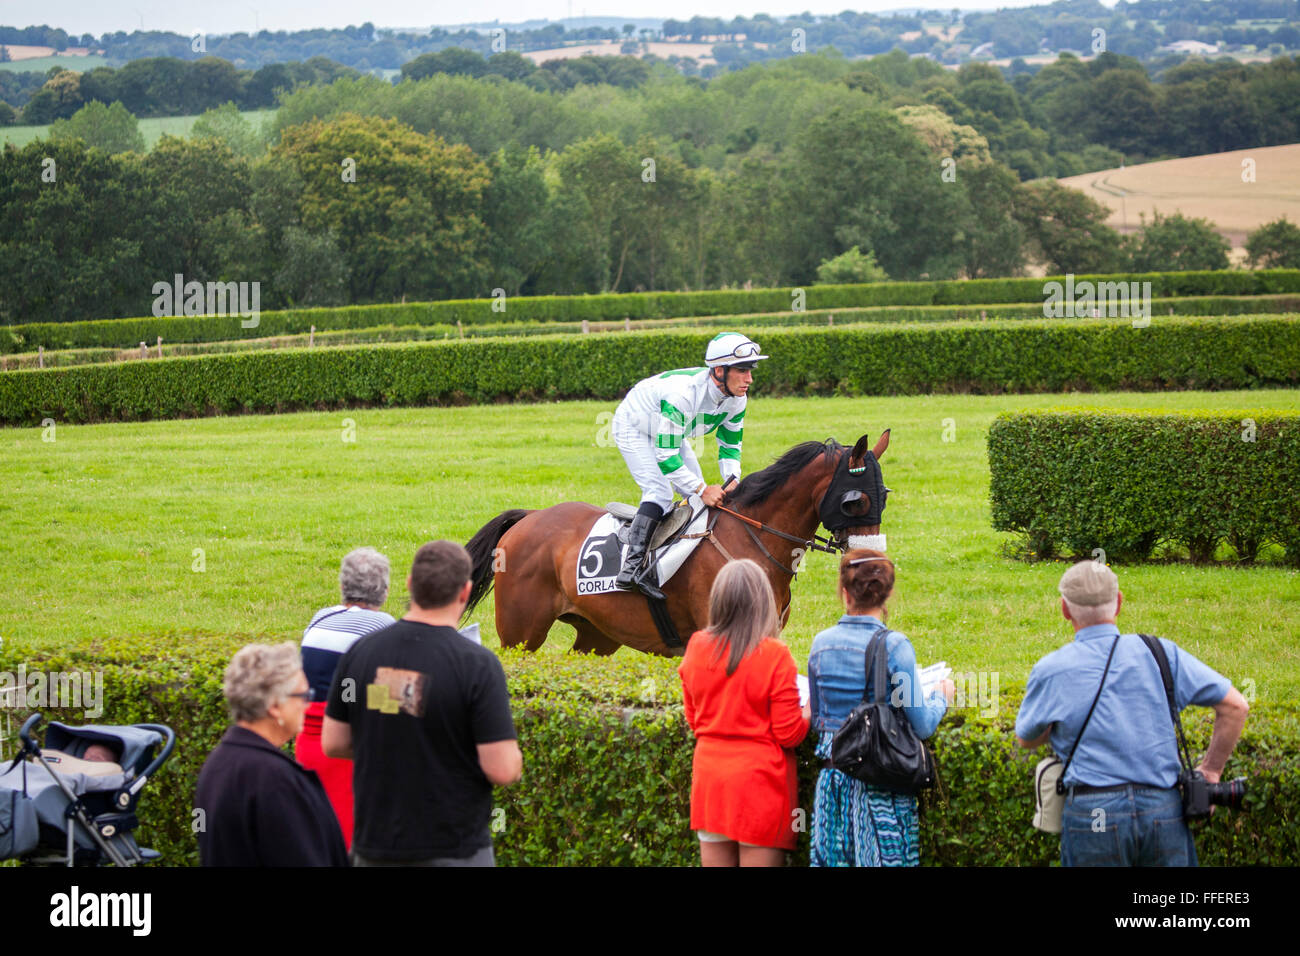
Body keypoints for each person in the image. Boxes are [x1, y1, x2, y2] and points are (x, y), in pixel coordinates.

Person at [1016, 560, 1249, 867]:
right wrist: (1210, 772)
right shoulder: (1160, 652)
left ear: (1065, 609)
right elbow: (1235, 706)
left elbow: (1027, 739)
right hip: (1163, 811)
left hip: (1093, 814)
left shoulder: (1051, 669)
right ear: (1119, 603)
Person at [322, 540, 522, 866]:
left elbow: (334, 742)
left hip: (375, 846)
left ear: (410, 584)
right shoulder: (478, 665)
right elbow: (501, 768)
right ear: (464, 592)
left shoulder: (363, 652)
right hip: (452, 850)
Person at [807, 549, 954, 867]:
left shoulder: (821, 643)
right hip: (881, 786)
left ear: (845, 594)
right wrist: (941, 695)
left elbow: (818, 720)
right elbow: (923, 725)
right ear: (887, 596)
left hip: (833, 785)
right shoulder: (895, 646)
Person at [610, 332, 768, 598]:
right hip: (635, 426)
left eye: (751, 370)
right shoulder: (684, 396)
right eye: (742, 370)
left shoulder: (738, 399)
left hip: (669, 431)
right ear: (719, 370)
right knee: (660, 493)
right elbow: (666, 456)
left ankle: (681, 563)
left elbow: (730, 446)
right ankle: (632, 569)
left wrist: (733, 481)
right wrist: (702, 487)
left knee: (696, 501)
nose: (749, 379)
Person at [677, 558, 810, 866]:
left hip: (711, 786)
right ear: (764, 603)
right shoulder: (775, 655)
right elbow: (789, 734)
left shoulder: (696, 646)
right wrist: (810, 707)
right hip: (759, 788)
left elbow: (695, 721)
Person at [195, 643, 347, 867]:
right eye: (304, 695)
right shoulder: (273, 779)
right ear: (275, 705)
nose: (308, 705)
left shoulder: (218, 762)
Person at [295, 547, 395, 851]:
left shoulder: (318, 619)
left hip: (308, 745)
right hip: (353, 749)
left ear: (342, 586)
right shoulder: (385, 628)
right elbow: (388, 705)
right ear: (385, 590)